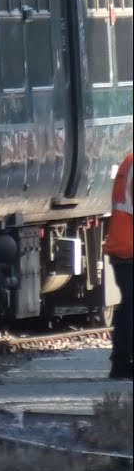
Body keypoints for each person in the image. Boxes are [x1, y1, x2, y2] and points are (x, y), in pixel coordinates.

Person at [105, 151, 133, 380]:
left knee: (129, 307)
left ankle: (121, 363)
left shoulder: (130, 161)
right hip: (130, 248)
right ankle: (122, 363)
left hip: (124, 246)